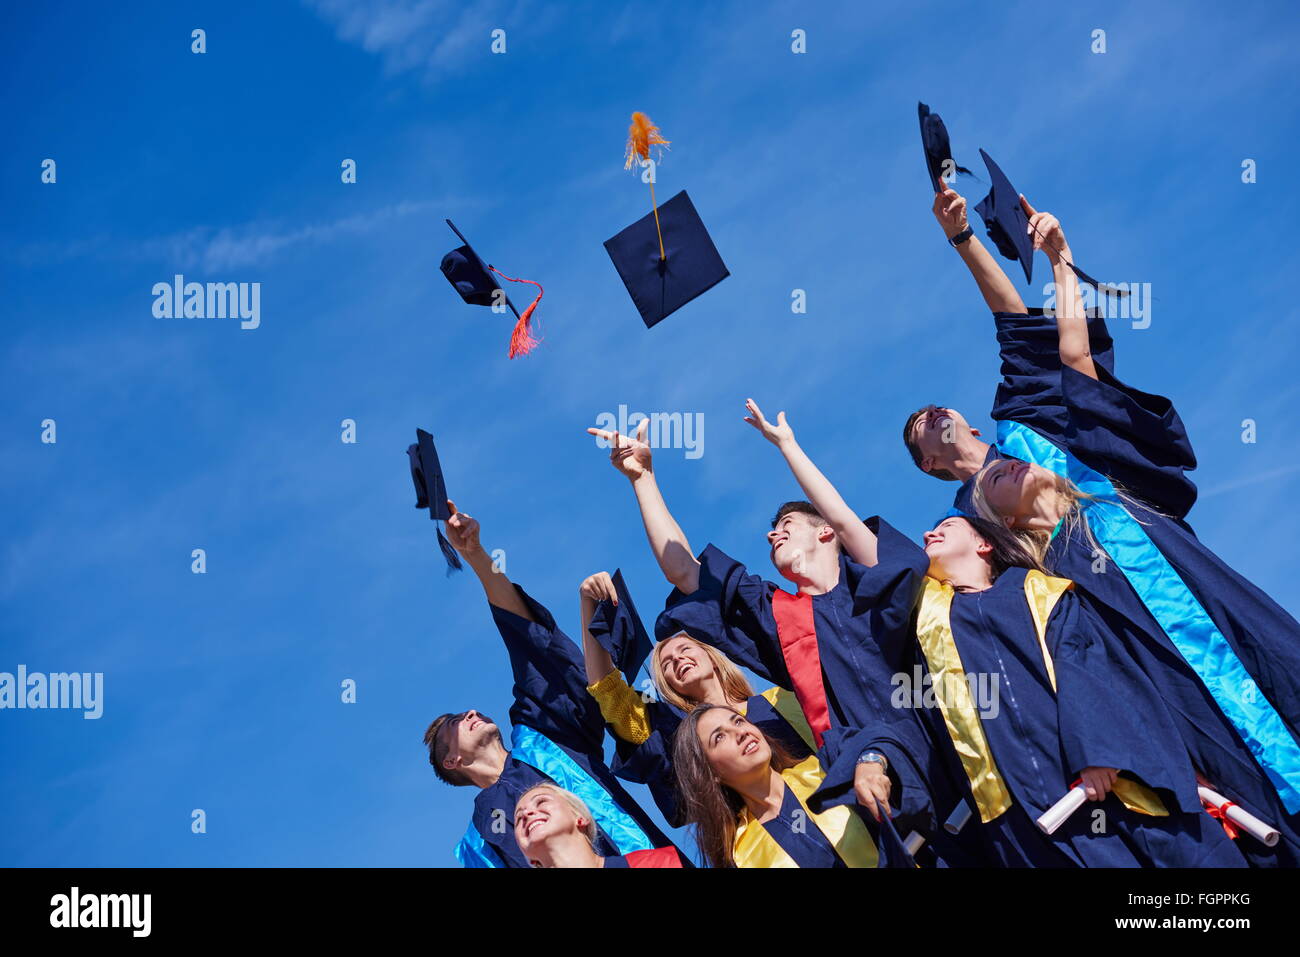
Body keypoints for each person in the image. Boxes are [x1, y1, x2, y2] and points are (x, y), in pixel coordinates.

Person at [967, 220, 1300, 865]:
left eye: (1007, 461)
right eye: (991, 484)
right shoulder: (1053, 582)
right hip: (1185, 702)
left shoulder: (1106, 481)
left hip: (1240, 636)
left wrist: (1062, 264)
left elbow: (1074, 365)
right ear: (1003, 528)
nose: (1001, 466)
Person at [586, 417, 980, 865]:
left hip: (969, 758)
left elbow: (846, 522)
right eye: (773, 530)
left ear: (825, 532)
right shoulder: (780, 618)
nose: (773, 533)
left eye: (787, 523)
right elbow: (686, 572)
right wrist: (644, 479)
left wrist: (787, 445)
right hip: (882, 808)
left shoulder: (879, 582)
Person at [884, 513, 1245, 866]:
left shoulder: (1041, 593)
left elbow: (1084, 669)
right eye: (929, 532)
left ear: (983, 543)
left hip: (1105, 782)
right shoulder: (926, 618)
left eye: (946, 526)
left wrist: (1097, 752)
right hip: (1020, 807)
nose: (929, 534)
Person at [423, 501, 673, 868]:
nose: (472, 712)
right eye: (456, 722)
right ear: (452, 759)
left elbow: (531, 645)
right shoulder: (477, 845)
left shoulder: (543, 738)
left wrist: (476, 555)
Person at [902, 184, 1117, 514]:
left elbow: (1015, 325)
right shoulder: (963, 525)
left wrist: (960, 234)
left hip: (1139, 539)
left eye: (937, 408)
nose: (933, 413)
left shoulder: (1025, 425)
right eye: (922, 424)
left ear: (973, 428)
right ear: (928, 463)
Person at [578, 569, 815, 826]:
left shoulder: (780, 700)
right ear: (668, 684)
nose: (678, 659)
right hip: (761, 849)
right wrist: (588, 603)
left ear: (711, 657)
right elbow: (606, 689)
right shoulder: (674, 734)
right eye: (667, 664)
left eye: (685, 649)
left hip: (837, 819)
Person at [672, 704, 896, 868]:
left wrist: (871, 762)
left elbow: (880, 735)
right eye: (719, 737)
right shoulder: (740, 857)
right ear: (710, 774)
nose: (740, 733)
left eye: (738, 721)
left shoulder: (825, 767)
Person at [512, 783, 687, 868]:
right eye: (519, 819)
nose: (527, 814)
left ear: (580, 817)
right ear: (528, 857)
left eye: (541, 801)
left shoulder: (656, 864)